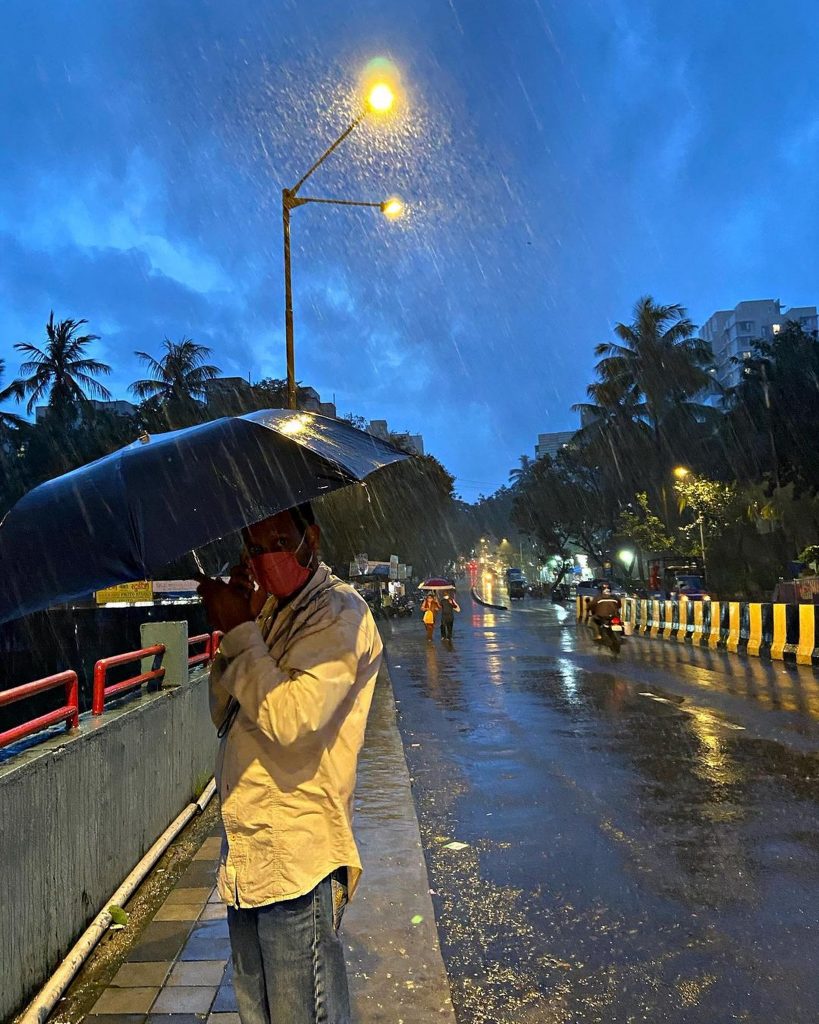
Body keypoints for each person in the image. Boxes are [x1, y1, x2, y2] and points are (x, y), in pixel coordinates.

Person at [196, 501, 382, 1024]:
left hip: (298, 856)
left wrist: (240, 632)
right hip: (248, 850)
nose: (267, 557)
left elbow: (292, 720)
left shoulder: (338, 613)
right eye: (254, 548)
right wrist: (241, 623)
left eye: (279, 541)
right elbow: (223, 712)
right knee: (259, 1014)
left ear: (311, 539)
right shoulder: (271, 611)